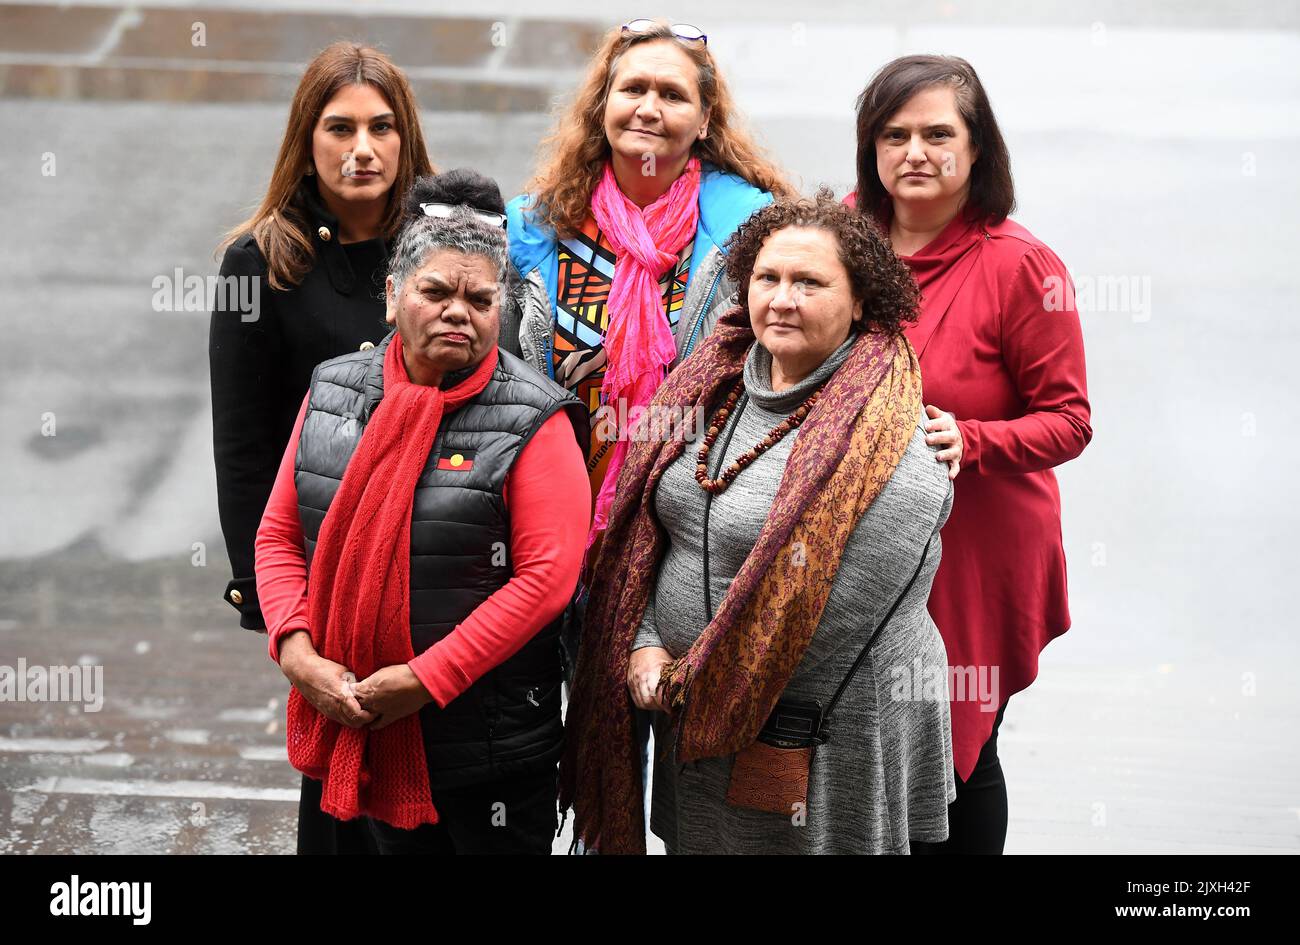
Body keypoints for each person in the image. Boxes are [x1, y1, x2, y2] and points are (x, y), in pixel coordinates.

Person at [560, 192, 956, 854]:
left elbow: (829, 615)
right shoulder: (708, 379)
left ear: (860, 301)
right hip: (687, 718)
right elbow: (649, 534)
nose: (782, 298)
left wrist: (691, 681)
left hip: (810, 726)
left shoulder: (898, 439)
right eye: (768, 278)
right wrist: (644, 639)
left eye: (809, 282)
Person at [253, 169, 590, 854]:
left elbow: (546, 578)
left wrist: (426, 679)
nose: (457, 311)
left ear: (503, 308)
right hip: (348, 724)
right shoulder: (334, 389)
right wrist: (295, 649)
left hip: (483, 759)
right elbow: (280, 535)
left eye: (479, 298)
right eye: (435, 290)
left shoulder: (536, 418)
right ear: (392, 296)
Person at [849, 54, 1093, 854]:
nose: (914, 152)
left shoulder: (1022, 264)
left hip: (979, 544)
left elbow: (1070, 420)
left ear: (977, 147)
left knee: (954, 739)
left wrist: (975, 439)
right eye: (894, 134)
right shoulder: (841, 238)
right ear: (871, 147)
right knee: (860, 731)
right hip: (866, 534)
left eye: (937, 134)